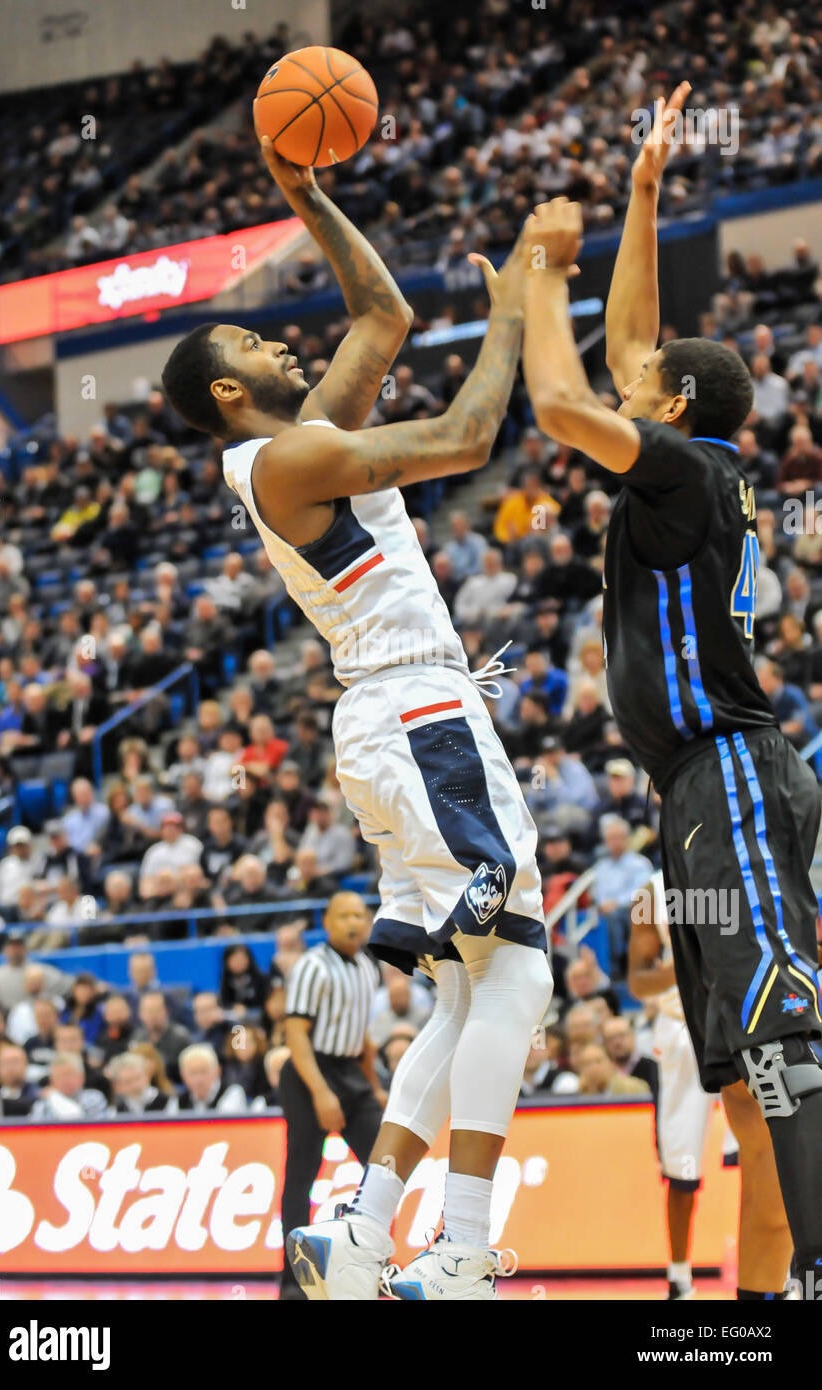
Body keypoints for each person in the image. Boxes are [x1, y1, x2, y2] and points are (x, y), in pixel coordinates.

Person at [161, 132, 552, 1300]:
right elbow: (467, 440)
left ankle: (363, 1233)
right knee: (518, 966)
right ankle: (464, 1241)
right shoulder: (283, 464)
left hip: (395, 721)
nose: (280, 338)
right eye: (251, 341)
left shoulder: (301, 447)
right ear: (228, 392)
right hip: (421, 714)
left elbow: (376, 317)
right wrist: (515, 323)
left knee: (464, 983)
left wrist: (308, 197)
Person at [522, 85, 822, 1300]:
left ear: (672, 412)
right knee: (751, 1098)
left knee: (785, 1043)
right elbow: (634, 350)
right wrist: (641, 194)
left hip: (732, 773)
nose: (623, 383)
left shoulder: (685, 472)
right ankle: (751, 1317)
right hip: (692, 788)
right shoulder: (695, 471)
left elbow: (557, 402)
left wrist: (542, 276)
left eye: (640, 388)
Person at [629, 873, 741, 1301]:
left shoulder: (740, 868)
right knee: (681, 1167)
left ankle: (770, 1270)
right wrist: (689, 963)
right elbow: (639, 982)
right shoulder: (651, 892)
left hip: (740, 1026)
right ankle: (679, 1278)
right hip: (681, 1033)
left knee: (760, 1153)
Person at [277, 893, 384, 1301]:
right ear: (327, 921)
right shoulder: (311, 966)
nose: (354, 922)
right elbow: (295, 1035)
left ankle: (366, 1266)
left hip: (350, 1070)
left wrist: (373, 1085)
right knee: (301, 1177)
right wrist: (321, 1092)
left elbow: (363, 1037)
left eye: (360, 915)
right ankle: (294, 1281)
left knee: (383, 1171)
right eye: (345, 916)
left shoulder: (366, 967)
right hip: (309, 1073)